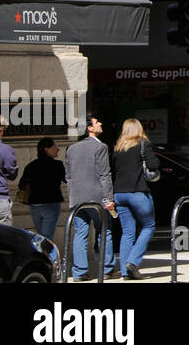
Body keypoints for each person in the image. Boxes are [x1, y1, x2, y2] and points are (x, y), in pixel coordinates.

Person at [66, 115, 116, 280]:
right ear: (89, 128)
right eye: (97, 122)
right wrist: (108, 198)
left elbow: (69, 177)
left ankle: (79, 272)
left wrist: (73, 193)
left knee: (81, 233)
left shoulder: (71, 148)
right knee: (105, 231)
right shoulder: (100, 147)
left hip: (77, 198)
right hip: (96, 197)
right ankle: (107, 269)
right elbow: (104, 175)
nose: (100, 123)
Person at [111, 118, 160, 280]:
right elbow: (153, 164)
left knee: (127, 232)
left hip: (119, 194)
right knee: (149, 225)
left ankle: (126, 273)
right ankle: (132, 262)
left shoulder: (118, 148)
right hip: (137, 192)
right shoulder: (142, 144)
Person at [18, 137, 66, 241]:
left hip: (35, 205)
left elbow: (21, 185)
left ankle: (41, 255)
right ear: (46, 149)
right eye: (54, 147)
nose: (57, 149)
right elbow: (68, 179)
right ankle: (47, 257)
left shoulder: (31, 166)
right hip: (50, 204)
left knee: (41, 236)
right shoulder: (57, 165)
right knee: (47, 239)